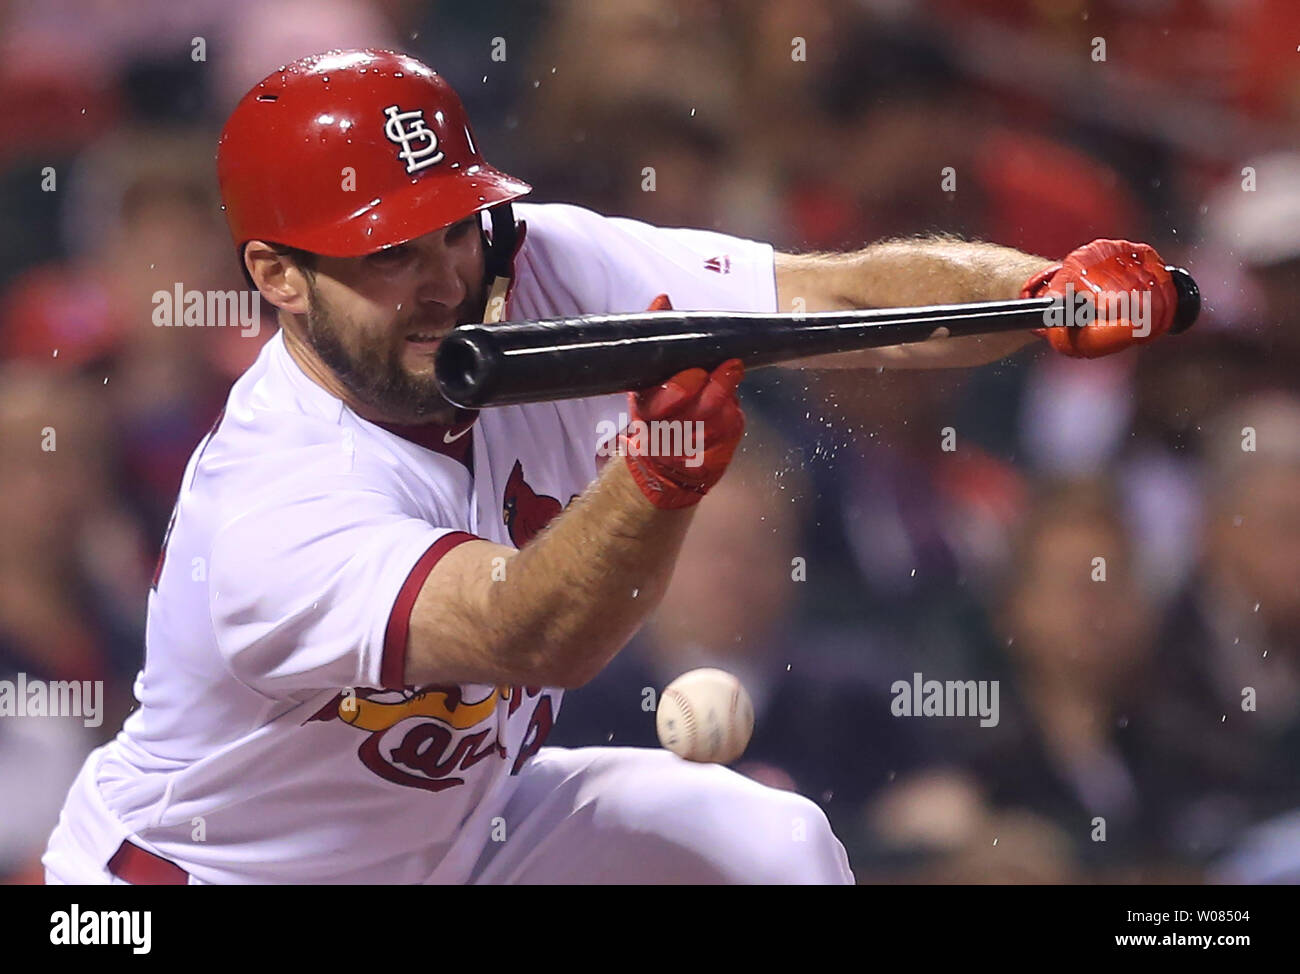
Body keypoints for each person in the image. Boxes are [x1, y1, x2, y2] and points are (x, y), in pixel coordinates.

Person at [43, 49, 1182, 884]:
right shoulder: (273, 497)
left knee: (768, 845)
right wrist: (656, 481)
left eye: (452, 226)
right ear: (277, 276)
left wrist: (1039, 294)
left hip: (462, 832)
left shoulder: (537, 265)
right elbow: (529, 632)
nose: (442, 275)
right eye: (387, 251)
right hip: (213, 876)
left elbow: (830, 300)